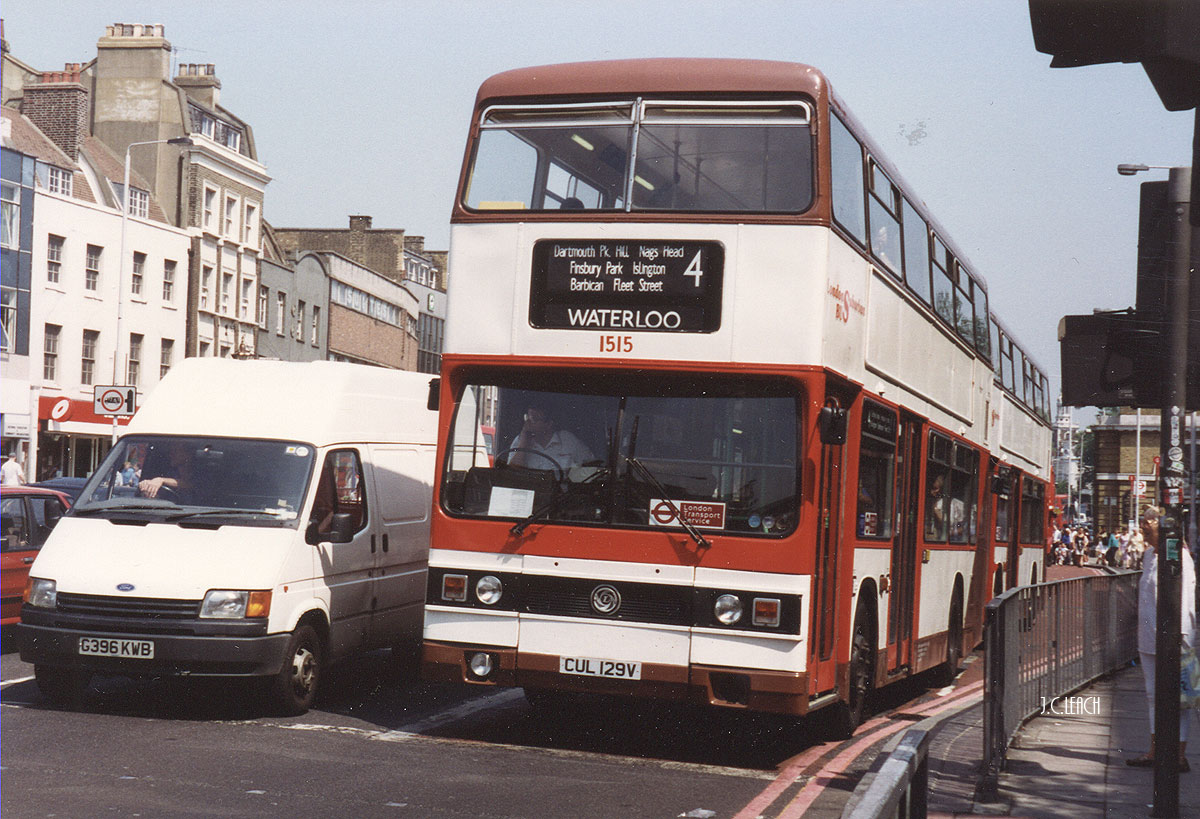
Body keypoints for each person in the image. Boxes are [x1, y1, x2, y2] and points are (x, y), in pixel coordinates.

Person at [1126, 506, 1197, 772]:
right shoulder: (1147, 556)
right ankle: (1155, 750)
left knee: (1184, 697)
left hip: (1179, 638)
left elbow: (1186, 601)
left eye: (1148, 521)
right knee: (1152, 695)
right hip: (1149, 638)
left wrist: (1180, 638)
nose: (1143, 526)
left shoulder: (1181, 556)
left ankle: (1179, 755)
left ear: (1165, 525)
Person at [505, 405, 593, 473]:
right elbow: (512, 472)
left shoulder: (568, 441)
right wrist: (523, 444)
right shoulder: (521, 440)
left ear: (549, 424)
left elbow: (591, 465)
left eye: (534, 420)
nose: (528, 423)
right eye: (527, 418)